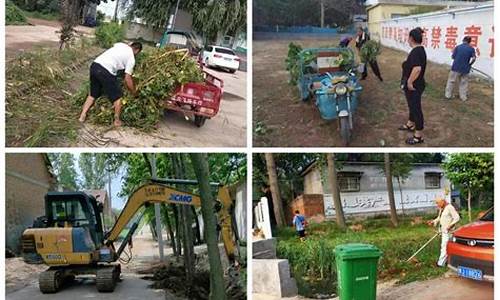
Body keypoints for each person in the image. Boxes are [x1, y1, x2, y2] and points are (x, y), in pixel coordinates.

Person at [79, 41, 143, 127]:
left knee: (93, 94)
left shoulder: (121, 45)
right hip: (106, 70)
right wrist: (134, 92)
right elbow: (127, 78)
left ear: (130, 45)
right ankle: (117, 121)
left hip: (95, 65)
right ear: (137, 50)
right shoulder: (131, 59)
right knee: (118, 98)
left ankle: (82, 115)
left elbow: (117, 45)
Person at [399, 27, 427, 145]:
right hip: (415, 85)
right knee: (412, 106)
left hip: (414, 86)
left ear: (411, 38)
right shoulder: (420, 50)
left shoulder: (416, 51)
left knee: (416, 109)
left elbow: (417, 69)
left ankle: (418, 136)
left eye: (408, 38)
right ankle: (410, 124)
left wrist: (410, 82)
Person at [427, 198, 460, 267]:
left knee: (444, 246)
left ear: (443, 201)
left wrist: (450, 225)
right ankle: (449, 261)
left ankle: (440, 263)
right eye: (436, 203)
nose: (437, 205)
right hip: (443, 231)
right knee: (447, 246)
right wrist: (433, 221)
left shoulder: (450, 207)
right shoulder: (442, 208)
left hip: (449, 231)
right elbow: (439, 218)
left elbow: (457, 218)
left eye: (438, 203)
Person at [445, 36, 476, 101]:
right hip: (465, 68)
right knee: (463, 83)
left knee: (451, 81)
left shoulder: (458, 47)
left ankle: (448, 95)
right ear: (469, 42)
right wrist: (470, 64)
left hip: (456, 67)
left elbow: (453, 57)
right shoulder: (471, 49)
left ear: (463, 40)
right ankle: (463, 97)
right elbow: (474, 58)